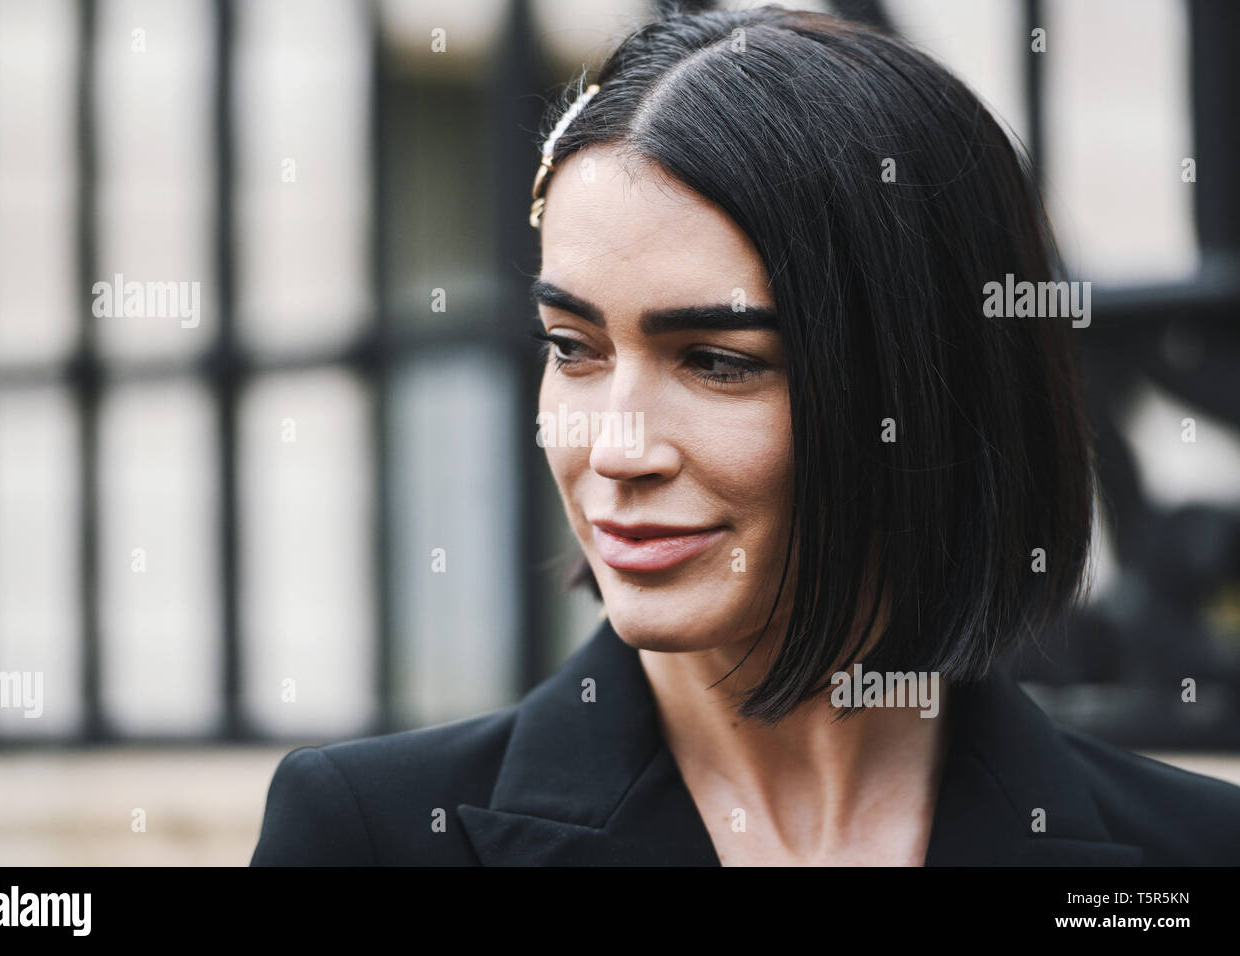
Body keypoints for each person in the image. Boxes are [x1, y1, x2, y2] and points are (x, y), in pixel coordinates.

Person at [251, 3, 1240, 866]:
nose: (616, 447)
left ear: (926, 388)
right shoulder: (371, 835)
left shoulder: (1187, 850)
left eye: (717, 360)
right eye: (573, 345)